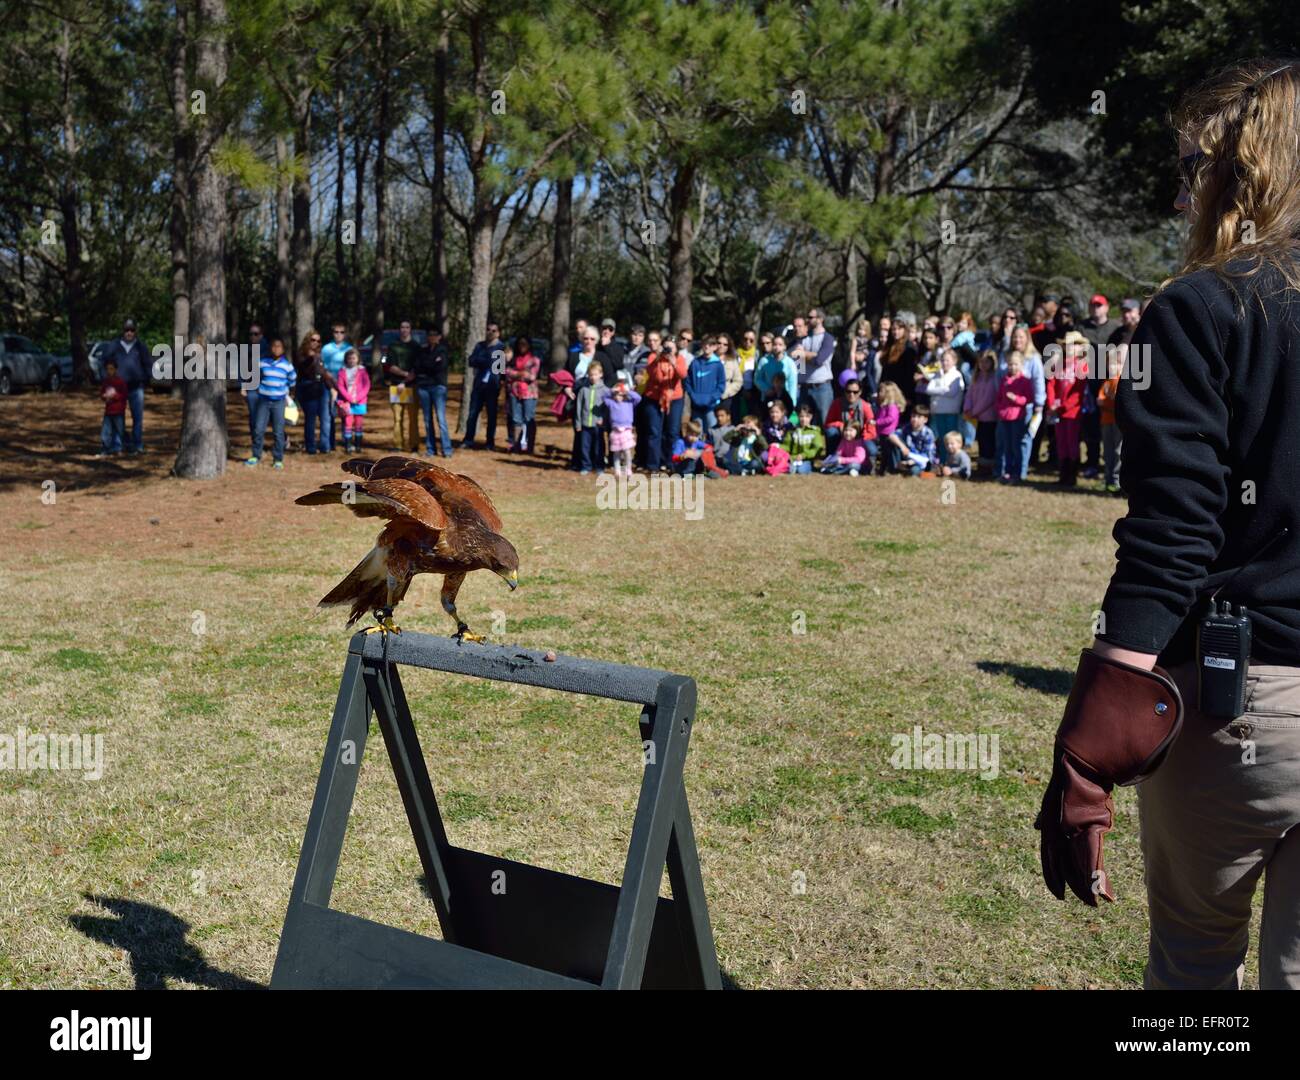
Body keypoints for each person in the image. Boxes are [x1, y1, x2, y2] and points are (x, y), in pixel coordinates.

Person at [1033, 58, 1300, 991]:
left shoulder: (1204, 308)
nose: (1186, 189)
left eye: (1196, 166)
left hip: (1246, 706)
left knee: (1193, 975)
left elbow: (1172, 535)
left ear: (1243, 173)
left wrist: (1089, 739)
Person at [97, 319, 150, 454]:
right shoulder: (113, 345)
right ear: (123, 330)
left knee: (137, 418)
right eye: (127, 330)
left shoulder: (141, 347)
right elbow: (103, 363)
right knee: (116, 417)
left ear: (135, 331)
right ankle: (117, 445)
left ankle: (137, 445)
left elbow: (148, 365)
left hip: (135, 388)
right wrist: (107, 382)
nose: (129, 333)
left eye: (132, 330)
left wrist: (145, 380)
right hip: (117, 389)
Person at [1046, 330, 1089, 487]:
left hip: (1072, 412)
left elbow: (1079, 392)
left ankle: (1072, 475)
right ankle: (1063, 474)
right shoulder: (1059, 365)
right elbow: (1051, 384)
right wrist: (1051, 403)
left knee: (1072, 443)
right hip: (1057, 411)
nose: (1071, 348)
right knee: (1061, 442)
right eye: (1067, 345)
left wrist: (1064, 407)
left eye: (1075, 345)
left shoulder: (1082, 366)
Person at [246, 337, 295, 468]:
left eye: (279, 346)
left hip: (279, 402)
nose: (276, 349)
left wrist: (286, 393)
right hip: (263, 401)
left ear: (283, 349)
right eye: (274, 346)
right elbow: (254, 376)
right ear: (270, 348)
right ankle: (256, 455)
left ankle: (278, 459)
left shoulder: (287, 366)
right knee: (258, 429)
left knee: (278, 431)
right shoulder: (262, 363)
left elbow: (292, 381)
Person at [642, 341, 686, 473]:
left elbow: (683, 375)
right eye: (666, 347)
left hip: (675, 398)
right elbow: (651, 373)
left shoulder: (680, 359)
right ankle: (653, 465)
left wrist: (674, 363)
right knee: (654, 432)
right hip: (654, 398)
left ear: (676, 349)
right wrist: (657, 358)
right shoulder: (654, 357)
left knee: (673, 432)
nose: (668, 351)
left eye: (670, 348)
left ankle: (672, 464)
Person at [462, 318, 504, 450]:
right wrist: (487, 360)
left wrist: (483, 360)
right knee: (473, 413)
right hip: (479, 385)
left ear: (498, 333)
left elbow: (498, 368)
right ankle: (468, 440)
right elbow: (471, 361)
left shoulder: (501, 347)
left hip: (492, 387)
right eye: (488, 330)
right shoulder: (479, 345)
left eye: (493, 330)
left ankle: (489, 443)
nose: (490, 332)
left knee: (491, 415)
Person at [413, 324, 452, 457]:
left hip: (438, 387)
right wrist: (431, 364)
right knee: (427, 420)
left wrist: (427, 366)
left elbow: (440, 367)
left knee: (441, 419)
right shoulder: (422, 351)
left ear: (439, 337)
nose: (432, 337)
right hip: (424, 387)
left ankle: (447, 449)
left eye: (435, 335)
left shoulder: (443, 350)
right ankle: (431, 449)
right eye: (430, 335)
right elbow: (418, 366)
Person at [791, 307, 836, 424]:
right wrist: (809, 355)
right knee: (803, 423)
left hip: (822, 388)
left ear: (820, 319)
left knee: (825, 423)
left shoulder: (828, 338)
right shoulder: (804, 338)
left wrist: (804, 353)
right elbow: (799, 364)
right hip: (805, 388)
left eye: (810, 317)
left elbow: (819, 360)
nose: (807, 320)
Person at [383, 320, 420, 452]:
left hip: (412, 386)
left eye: (407, 327)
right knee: (397, 418)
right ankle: (397, 445)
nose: (404, 329)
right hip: (396, 386)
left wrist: (410, 377)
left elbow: (419, 366)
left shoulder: (416, 346)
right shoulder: (393, 346)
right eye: (402, 327)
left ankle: (414, 445)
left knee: (413, 418)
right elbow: (390, 366)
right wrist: (405, 374)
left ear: (410, 329)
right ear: (399, 329)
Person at [995, 351, 1032, 484]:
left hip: (1017, 417)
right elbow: (999, 397)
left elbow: (1028, 398)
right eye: (1010, 364)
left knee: (1016, 447)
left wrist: (1015, 399)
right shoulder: (1004, 380)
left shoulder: (1025, 381)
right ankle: (1007, 471)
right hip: (1004, 417)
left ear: (1021, 365)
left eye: (1016, 364)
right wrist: (999, 409)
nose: (1013, 367)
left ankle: (1018, 473)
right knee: (1006, 446)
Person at [963, 350, 999, 476]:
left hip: (989, 417)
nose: (984, 365)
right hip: (979, 417)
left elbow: (989, 398)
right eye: (981, 362)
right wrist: (967, 407)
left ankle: (989, 466)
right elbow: (969, 394)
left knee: (989, 442)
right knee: (981, 441)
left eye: (987, 362)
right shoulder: (976, 378)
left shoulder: (993, 379)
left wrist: (974, 411)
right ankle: (982, 464)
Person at [294, 330, 331, 454]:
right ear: (308, 340)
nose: (315, 343)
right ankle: (311, 447)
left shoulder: (320, 354)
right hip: (308, 387)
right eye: (313, 340)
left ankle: (325, 446)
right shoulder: (302, 354)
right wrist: (312, 358)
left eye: (318, 341)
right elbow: (304, 368)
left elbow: (324, 372)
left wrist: (333, 386)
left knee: (325, 418)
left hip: (322, 387)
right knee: (311, 419)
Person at [504, 335, 540, 453]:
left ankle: (530, 447)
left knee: (529, 418)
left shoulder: (534, 360)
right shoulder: (513, 359)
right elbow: (506, 372)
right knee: (516, 419)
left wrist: (516, 374)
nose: (522, 346)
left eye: (525, 344)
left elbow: (531, 376)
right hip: (514, 392)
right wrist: (521, 373)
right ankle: (516, 445)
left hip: (529, 393)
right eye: (520, 344)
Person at [921, 348, 965, 446]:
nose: (945, 363)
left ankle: (951, 460)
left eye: (947, 360)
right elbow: (928, 389)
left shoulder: (957, 375)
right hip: (937, 411)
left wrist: (937, 390)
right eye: (943, 360)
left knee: (951, 438)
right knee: (940, 438)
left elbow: (952, 392)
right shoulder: (937, 374)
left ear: (954, 361)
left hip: (951, 412)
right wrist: (943, 389)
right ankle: (942, 459)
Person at [685, 335, 726, 436]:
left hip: (711, 406)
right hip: (696, 404)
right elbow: (687, 382)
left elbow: (721, 384)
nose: (707, 347)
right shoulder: (695, 363)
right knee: (696, 433)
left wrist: (712, 398)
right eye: (705, 344)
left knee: (712, 432)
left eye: (710, 345)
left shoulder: (718, 365)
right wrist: (693, 396)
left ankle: (711, 451)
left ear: (715, 347)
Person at [573, 359, 608, 475]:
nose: (593, 377)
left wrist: (603, 419)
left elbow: (607, 408)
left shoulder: (605, 391)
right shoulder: (583, 390)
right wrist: (578, 423)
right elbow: (579, 407)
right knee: (584, 446)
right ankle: (585, 466)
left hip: (598, 424)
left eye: (596, 374)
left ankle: (599, 466)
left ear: (601, 374)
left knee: (599, 447)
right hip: (585, 424)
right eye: (591, 374)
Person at [320, 322, 352, 450]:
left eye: (342, 332)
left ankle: (347, 442)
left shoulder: (349, 348)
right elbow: (323, 369)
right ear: (333, 333)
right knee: (330, 415)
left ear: (345, 334)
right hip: (329, 386)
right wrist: (333, 387)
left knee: (346, 415)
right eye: (336, 332)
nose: (339, 334)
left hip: (345, 387)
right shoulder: (326, 349)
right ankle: (329, 444)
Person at [823, 379, 874, 457]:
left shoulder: (865, 406)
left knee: (872, 450)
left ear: (860, 392)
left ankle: (868, 464)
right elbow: (827, 423)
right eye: (848, 391)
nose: (851, 394)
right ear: (844, 391)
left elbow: (871, 427)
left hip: (860, 436)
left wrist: (861, 437)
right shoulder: (837, 403)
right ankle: (832, 457)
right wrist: (839, 424)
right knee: (831, 432)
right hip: (843, 435)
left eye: (855, 392)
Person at [1097, 346, 1122, 493]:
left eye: (1115, 363)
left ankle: (1117, 480)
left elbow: (1115, 402)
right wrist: (1106, 402)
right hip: (1106, 420)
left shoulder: (1121, 382)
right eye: (1109, 363)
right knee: (1107, 451)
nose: (1112, 366)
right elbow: (1101, 399)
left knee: (1118, 451)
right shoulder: (1106, 383)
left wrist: (1106, 402)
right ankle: (1107, 479)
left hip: (1118, 422)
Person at [879, 318, 922, 406]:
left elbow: (909, 374)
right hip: (888, 388)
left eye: (899, 329)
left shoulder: (909, 348)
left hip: (901, 391)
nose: (896, 332)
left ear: (904, 330)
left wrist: (908, 396)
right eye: (894, 329)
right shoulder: (889, 346)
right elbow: (885, 370)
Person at [334, 347, 370, 452]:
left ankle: (358, 445)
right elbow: (340, 386)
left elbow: (367, 385)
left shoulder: (362, 371)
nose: (351, 360)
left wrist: (358, 398)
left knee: (359, 423)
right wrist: (349, 398)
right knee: (348, 423)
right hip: (347, 402)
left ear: (358, 359)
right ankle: (348, 445)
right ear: (346, 359)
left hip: (360, 402)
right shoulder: (342, 371)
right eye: (349, 358)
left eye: (354, 358)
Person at [604, 377, 641, 477]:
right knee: (616, 452)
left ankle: (628, 469)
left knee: (627, 452)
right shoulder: (611, 403)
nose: (618, 397)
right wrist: (613, 391)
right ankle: (617, 470)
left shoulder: (629, 403)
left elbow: (638, 398)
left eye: (620, 395)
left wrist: (627, 391)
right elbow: (604, 397)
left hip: (626, 431)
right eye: (616, 395)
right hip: (615, 431)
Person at [890, 404, 939, 476]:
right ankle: (897, 468)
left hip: (920, 461)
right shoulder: (907, 427)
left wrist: (913, 461)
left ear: (925, 420)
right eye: (913, 416)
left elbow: (928, 457)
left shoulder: (928, 434)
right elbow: (892, 435)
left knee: (914, 471)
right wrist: (902, 446)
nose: (915, 419)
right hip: (907, 456)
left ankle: (910, 470)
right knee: (893, 442)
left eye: (919, 417)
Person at [755, 335, 799, 409]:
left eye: (780, 345)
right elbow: (757, 379)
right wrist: (766, 389)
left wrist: (792, 402)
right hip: (768, 397)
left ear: (785, 347)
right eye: (775, 344)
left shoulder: (790, 363)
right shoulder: (764, 361)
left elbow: (793, 384)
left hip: (785, 398)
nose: (777, 347)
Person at [240, 322, 265, 450]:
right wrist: (243, 386)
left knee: (271, 416)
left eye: (256, 334)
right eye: (251, 334)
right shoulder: (246, 350)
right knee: (254, 416)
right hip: (252, 388)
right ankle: (256, 442)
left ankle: (283, 438)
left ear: (261, 335)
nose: (253, 337)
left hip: (267, 388)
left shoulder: (268, 349)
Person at [782, 403, 825, 474]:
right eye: (801, 416)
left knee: (801, 470)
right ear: (798, 416)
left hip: (807, 459)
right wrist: (778, 447)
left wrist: (804, 455)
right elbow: (787, 445)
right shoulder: (792, 431)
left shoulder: (814, 432)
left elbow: (817, 448)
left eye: (807, 417)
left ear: (811, 417)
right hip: (793, 458)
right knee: (790, 470)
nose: (804, 419)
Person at [97, 358, 127, 457]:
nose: (109, 371)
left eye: (111, 369)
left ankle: (118, 448)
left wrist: (114, 396)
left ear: (116, 369)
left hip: (118, 411)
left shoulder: (120, 382)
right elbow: (102, 393)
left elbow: (124, 395)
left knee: (119, 431)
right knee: (106, 431)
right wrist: (104, 396)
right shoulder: (106, 382)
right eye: (108, 369)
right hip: (109, 411)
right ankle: (105, 449)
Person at [874, 381, 905, 473]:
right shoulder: (883, 406)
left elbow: (890, 419)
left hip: (889, 434)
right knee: (884, 453)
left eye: (881, 391)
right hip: (882, 433)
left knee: (890, 452)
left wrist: (877, 422)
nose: (879, 393)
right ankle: (883, 469)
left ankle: (893, 468)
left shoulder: (892, 407)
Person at [717, 334, 743, 419]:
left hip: (726, 397)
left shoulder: (732, 361)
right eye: (719, 343)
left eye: (725, 344)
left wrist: (727, 392)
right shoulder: (708, 358)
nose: (721, 346)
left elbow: (738, 381)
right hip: (710, 396)